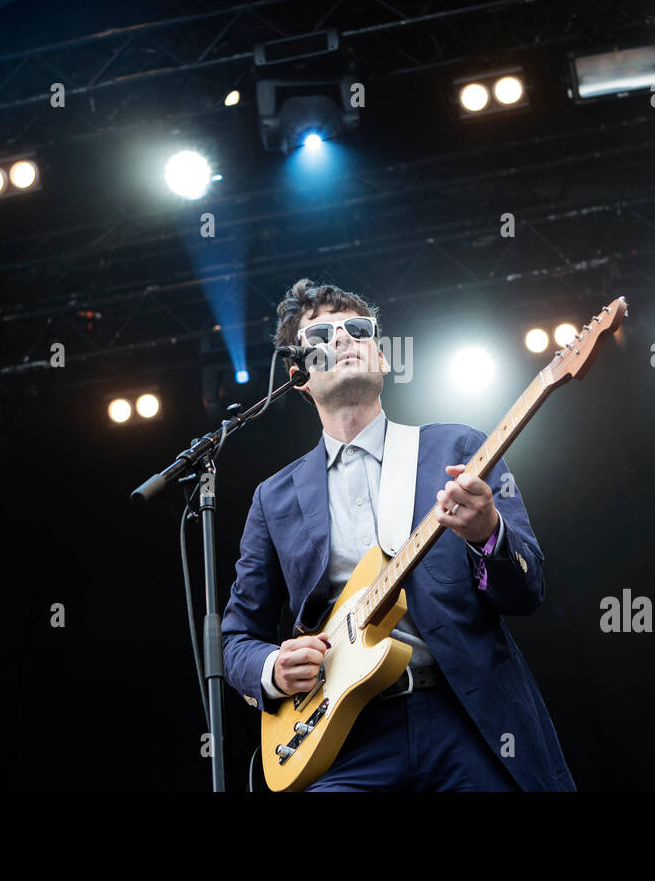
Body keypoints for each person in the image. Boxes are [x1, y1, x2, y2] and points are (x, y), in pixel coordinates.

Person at [221, 278, 576, 791]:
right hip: (344, 737)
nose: (343, 339)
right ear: (298, 375)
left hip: (467, 718)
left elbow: (528, 589)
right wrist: (272, 668)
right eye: (322, 334)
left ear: (382, 359)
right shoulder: (273, 498)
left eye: (358, 330)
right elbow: (236, 638)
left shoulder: (459, 449)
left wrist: (487, 534)